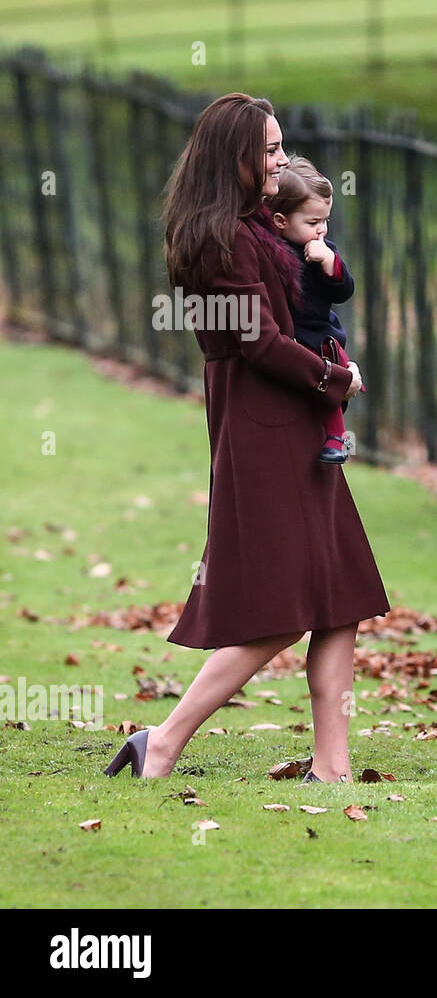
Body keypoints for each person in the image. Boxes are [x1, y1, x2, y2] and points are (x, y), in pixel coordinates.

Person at [104, 94, 390, 783]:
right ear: (233, 157)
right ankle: (164, 739)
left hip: (296, 421)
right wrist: (333, 375)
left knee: (340, 595)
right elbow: (257, 343)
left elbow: (305, 288)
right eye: (268, 150)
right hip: (264, 428)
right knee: (282, 610)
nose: (280, 161)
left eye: (281, 147)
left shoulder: (257, 222)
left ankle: (333, 767)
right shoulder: (218, 239)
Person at [266, 156, 362, 464]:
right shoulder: (271, 251)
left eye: (325, 221)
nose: (321, 230)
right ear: (281, 221)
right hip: (289, 334)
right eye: (312, 223)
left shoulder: (323, 253)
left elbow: (344, 290)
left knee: (331, 375)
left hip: (320, 332)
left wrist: (331, 264)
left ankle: (337, 437)